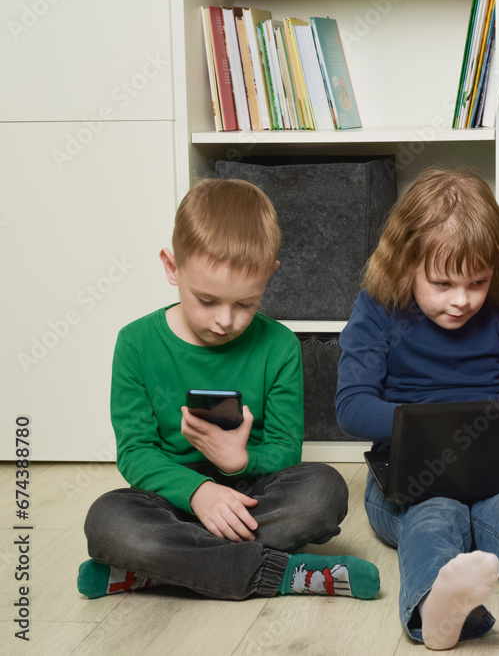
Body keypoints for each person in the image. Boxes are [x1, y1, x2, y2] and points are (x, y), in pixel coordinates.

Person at [78, 178, 379, 601]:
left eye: (245, 304)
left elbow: (285, 450)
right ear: (171, 267)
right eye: (206, 300)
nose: (225, 321)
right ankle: (275, 573)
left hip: (251, 500)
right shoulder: (135, 342)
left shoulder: (279, 346)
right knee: (108, 519)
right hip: (170, 500)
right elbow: (135, 452)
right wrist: (197, 492)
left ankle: (160, 570)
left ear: (270, 274)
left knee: (323, 490)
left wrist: (238, 460)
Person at [336, 168, 499, 650]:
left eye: (478, 281)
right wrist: (421, 427)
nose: (462, 301)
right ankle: (435, 605)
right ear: (404, 262)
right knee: (433, 516)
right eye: (443, 283)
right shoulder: (378, 307)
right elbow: (351, 406)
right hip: (407, 481)